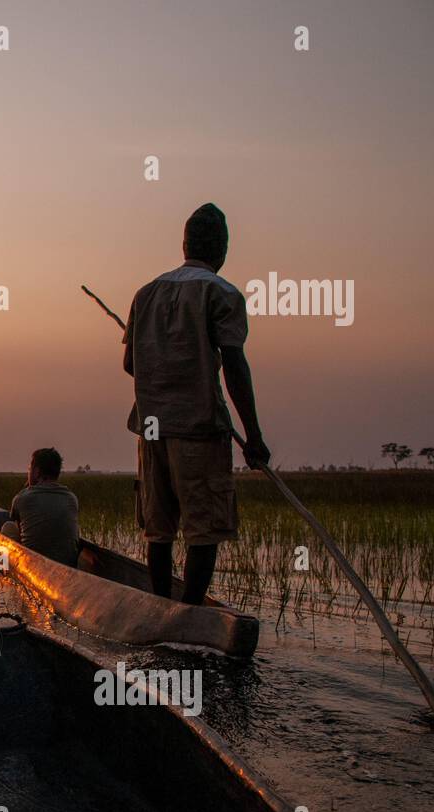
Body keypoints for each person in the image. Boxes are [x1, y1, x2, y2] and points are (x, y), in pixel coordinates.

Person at [123, 203, 270, 605]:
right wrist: (253, 436)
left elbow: (130, 364)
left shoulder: (146, 293)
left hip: (152, 430)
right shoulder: (221, 293)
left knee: (159, 529)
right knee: (203, 530)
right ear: (222, 249)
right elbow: (234, 365)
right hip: (200, 428)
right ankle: (187, 615)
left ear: (184, 243)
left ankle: (161, 608)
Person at [0, 447, 80, 566]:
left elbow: (19, 526)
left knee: (8, 526)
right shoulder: (72, 498)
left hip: (32, 564)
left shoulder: (21, 498)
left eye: (29, 469)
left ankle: (1, 567)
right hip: (67, 564)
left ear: (36, 472)